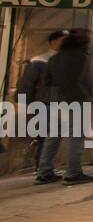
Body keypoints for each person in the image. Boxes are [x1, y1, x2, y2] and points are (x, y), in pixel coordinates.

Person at [35, 30, 93, 185]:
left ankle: (44, 171)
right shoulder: (82, 58)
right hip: (77, 100)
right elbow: (88, 81)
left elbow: (47, 81)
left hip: (56, 100)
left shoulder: (54, 58)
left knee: (53, 136)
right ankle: (73, 172)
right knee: (76, 137)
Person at [18, 29, 67, 174]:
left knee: (54, 135)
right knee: (44, 134)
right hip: (42, 103)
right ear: (54, 42)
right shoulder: (39, 61)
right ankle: (41, 166)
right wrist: (24, 104)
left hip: (59, 103)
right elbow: (27, 84)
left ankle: (46, 166)